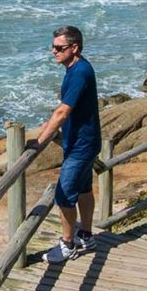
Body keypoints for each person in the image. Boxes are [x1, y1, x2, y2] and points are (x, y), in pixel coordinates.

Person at [32, 25, 102, 263]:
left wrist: (38, 143)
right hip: (82, 142)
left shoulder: (80, 72)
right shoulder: (76, 68)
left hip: (82, 145)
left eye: (59, 47)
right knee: (83, 189)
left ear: (74, 48)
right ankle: (87, 235)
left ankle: (67, 245)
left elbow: (62, 112)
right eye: (52, 47)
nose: (53, 51)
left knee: (63, 195)